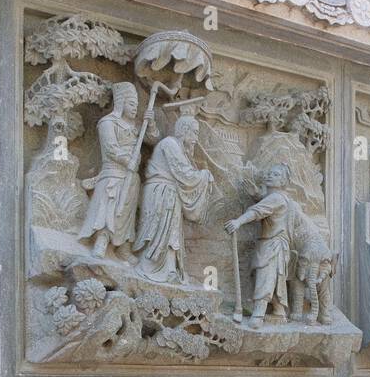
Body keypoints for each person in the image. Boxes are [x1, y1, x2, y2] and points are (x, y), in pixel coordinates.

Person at [133, 115, 213, 283]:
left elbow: (186, 171)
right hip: (160, 191)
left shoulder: (180, 148)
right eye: (195, 133)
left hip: (169, 193)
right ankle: (149, 266)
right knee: (157, 230)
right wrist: (204, 175)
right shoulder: (170, 143)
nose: (196, 139)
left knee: (172, 232)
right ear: (185, 130)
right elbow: (184, 173)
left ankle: (170, 269)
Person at [78, 83, 144, 260]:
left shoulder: (135, 127)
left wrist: (151, 124)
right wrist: (126, 160)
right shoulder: (107, 123)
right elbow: (110, 148)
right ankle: (102, 240)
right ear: (121, 102)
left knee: (127, 214)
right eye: (131, 104)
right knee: (109, 208)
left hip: (132, 176)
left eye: (136, 106)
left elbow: (151, 138)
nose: (134, 109)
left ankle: (123, 247)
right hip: (113, 173)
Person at [225, 164, 294, 327]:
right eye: (269, 173)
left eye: (275, 174)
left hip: (272, 244)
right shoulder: (279, 197)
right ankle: (278, 312)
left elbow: (258, 211)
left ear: (284, 181)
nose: (270, 176)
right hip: (276, 243)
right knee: (275, 277)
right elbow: (265, 204)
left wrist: (238, 222)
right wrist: (257, 194)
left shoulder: (276, 198)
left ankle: (258, 315)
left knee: (266, 275)